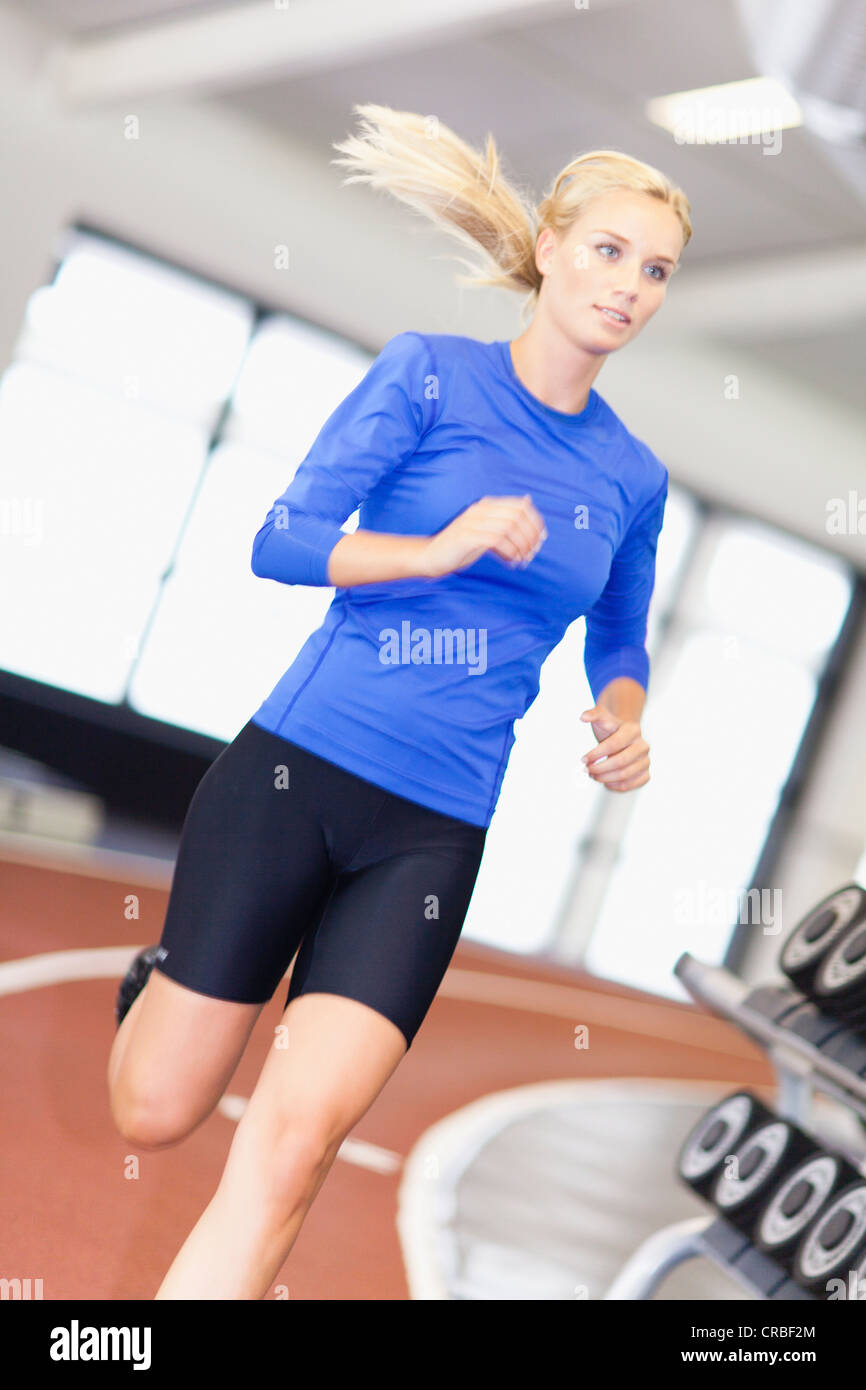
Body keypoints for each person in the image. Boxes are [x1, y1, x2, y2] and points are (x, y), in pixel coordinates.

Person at [106, 103, 692, 1300]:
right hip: (293, 774)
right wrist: (433, 549)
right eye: (608, 251)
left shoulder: (632, 476)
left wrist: (622, 712)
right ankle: (158, 979)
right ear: (549, 248)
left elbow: (617, 635)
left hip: (431, 828)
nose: (628, 285)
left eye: (656, 271)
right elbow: (282, 540)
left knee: (294, 1146)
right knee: (155, 1112)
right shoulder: (429, 374)